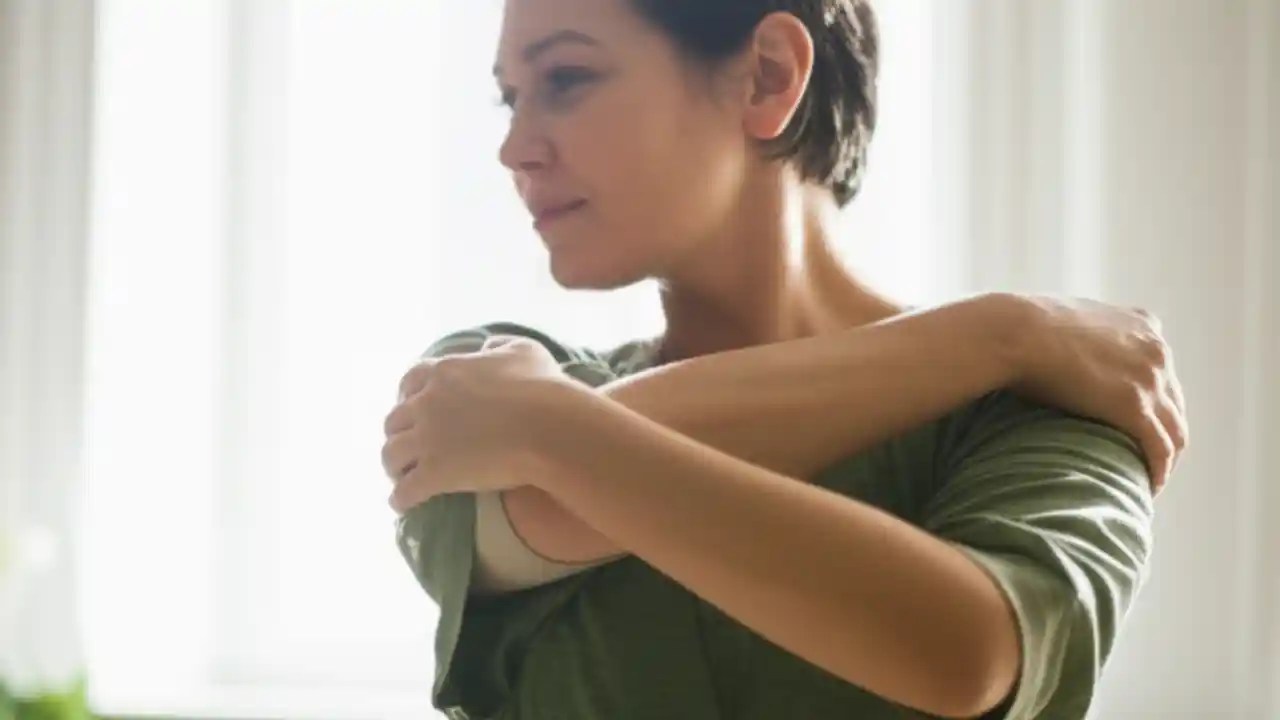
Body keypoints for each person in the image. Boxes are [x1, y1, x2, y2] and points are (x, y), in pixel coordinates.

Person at [380, 0, 1189, 718]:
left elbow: (968, 652)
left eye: (566, 78)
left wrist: (546, 430)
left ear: (767, 76)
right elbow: (528, 506)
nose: (514, 148)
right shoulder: (487, 378)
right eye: (510, 98)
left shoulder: (1048, 413)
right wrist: (996, 335)